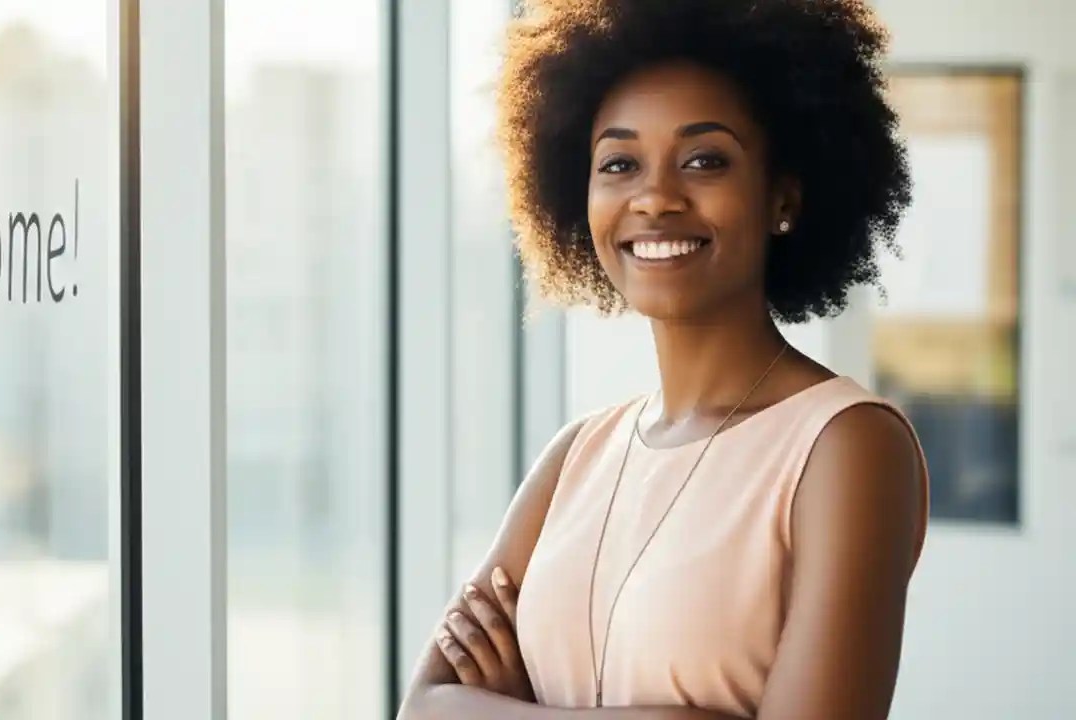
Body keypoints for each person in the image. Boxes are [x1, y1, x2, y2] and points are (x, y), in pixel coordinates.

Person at [396, 0, 928, 718]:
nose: (655, 198)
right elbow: (426, 706)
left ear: (784, 197)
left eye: (704, 160)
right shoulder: (576, 455)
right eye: (619, 163)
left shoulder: (847, 446)